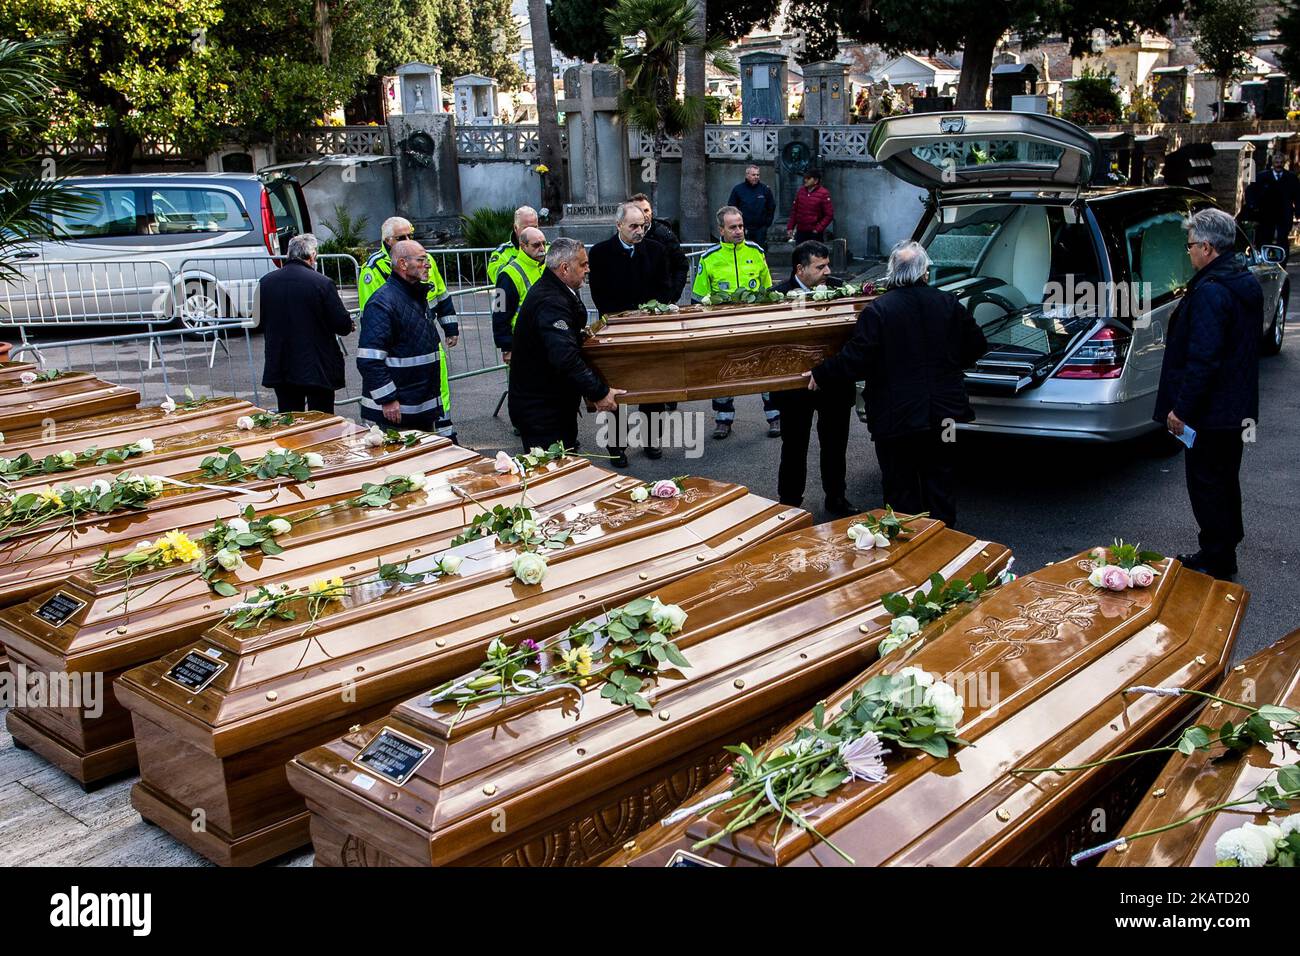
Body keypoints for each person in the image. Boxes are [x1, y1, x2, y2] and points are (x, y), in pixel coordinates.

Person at [808, 241, 986, 528]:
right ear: (925, 272)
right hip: (946, 415)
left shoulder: (879, 311)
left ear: (892, 273)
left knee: (900, 485)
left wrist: (822, 372)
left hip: (897, 417)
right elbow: (977, 345)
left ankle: (908, 550)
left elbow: (857, 358)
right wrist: (950, 363)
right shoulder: (948, 304)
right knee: (941, 479)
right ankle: (946, 545)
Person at [1155, 208, 1262, 581]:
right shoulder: (1241, 280)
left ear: (1206, 246)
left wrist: (1181, 409)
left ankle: (1215, 556)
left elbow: (1204, 358)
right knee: (1224, 479)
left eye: (1189, 246)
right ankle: (1223, 547)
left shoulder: (1211, 291)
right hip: (1236, 407)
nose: (1188, 253)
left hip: (1212, 411)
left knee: (1207, 483)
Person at [508, 238, 623, 450]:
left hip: (550, 404)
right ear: (564, 268)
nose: (588, 269)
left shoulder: (557, 292)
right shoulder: (550, 302)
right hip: (541, 411)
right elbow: (565, 356)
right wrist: (599, 392)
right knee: (551, 475)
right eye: (583, 264)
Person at [770, 241, 856, 516]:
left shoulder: (840, 290)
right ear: (800, 268)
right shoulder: (776, 296)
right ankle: (790, 501)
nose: (827, 271)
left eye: (828, 264)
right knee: (794, 445)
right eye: (820, 266)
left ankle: (836, 497)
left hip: (834, 382)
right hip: (795, 386)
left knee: (835, 445)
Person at [692, 205, 779, 440]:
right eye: (733, 227)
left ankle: (774, 416)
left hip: (755, 324)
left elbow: (769, 290)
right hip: (723, 328)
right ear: (721, 230)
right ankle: (723, 419)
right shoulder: (709, 258)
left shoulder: (756, 251)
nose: (739, 231)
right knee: (724, 371)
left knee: (765, 369)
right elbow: (698, 298)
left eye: (741, 226)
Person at [357, 239, 460, 437]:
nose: (428, 264)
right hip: (396, 413)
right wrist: (387, 399)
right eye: (421, 260)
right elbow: (369, 359)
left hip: (419, 407)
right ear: (403, 264)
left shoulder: (414, 296)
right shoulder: (382, 303)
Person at [256, 233, 354, 414]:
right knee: (321, 420)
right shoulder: (321, 283)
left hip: (282, 362)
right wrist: (349, 324)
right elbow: (341, 323)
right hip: (316, 363)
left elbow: (259, 321)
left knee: (290, 419)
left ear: (288, 254)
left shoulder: (266, 282)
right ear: (313, 256)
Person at [491, 226, 548, 361]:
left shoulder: (548, 266)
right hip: (523, 344)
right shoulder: (507, 274)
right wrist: (506, 347)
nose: (542, 248)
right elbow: (499, 312)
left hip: (547, 340)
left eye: (544, 243)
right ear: (523, 246)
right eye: (536, 245)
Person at [630, 193, 688, 301]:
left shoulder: (664, 234)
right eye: (639, 211)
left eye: (646, 210)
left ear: (651, 211)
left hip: (661, 302)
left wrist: (673, 295)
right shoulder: (625, 234)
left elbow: (681, 265)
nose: (644, 215)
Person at [1253, 153, 1299, 254]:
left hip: (1284, 213)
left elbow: (1297, 195)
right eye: (1276, 162)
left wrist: (1298, 212)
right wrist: (1254, 209)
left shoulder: (1291, 177)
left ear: (1284, 163)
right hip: (1267, 213)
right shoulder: (1262, 177)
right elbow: (1254, 193)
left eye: (1281, 162)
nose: (1279, 165)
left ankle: (1282, 261)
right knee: (1265, 238)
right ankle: (1265, 259)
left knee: (1282, 239)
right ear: (1273, 163)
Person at [486, 205, 540, 283]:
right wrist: (526, 258)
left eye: (534, 227)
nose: (531, 232)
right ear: (515, 228)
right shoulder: (501, 253)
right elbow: (499, 278)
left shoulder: (548, 248)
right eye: (526, 228)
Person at [727, 165, 776, 249]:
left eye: (758, 175)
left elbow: (771, 206)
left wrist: (767, 223)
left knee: (760, 252)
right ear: (747, 175)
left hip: (760, 230)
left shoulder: (765, 189)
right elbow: (732, 208)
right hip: (743, 229)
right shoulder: (738, 189)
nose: (756, 177)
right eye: (753, 175)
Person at [786, 168, 834, 243]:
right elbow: (795, 211)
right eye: (805, 178)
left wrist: (818, 229)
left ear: (816, 180)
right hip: (801, 231)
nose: (806, 180)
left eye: (808, 178)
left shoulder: (823, 193)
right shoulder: (801, 191)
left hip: (814, 233)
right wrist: (790, 227)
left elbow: (829, 215)